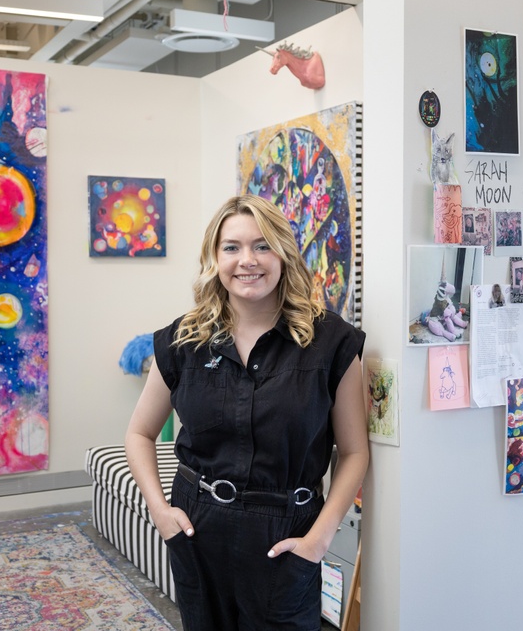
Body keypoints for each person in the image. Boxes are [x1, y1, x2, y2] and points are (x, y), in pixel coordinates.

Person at [125, 194, 369, 631]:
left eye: (262, 245)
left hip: (287, 535)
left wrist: (320, 539)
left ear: (283, 254)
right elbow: (139, 433)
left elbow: (354, 452)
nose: (247, 261)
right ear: (214, 258)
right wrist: (161, 512)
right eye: (231, 247)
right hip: (199, 528)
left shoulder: (332, 341)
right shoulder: (184, 340)